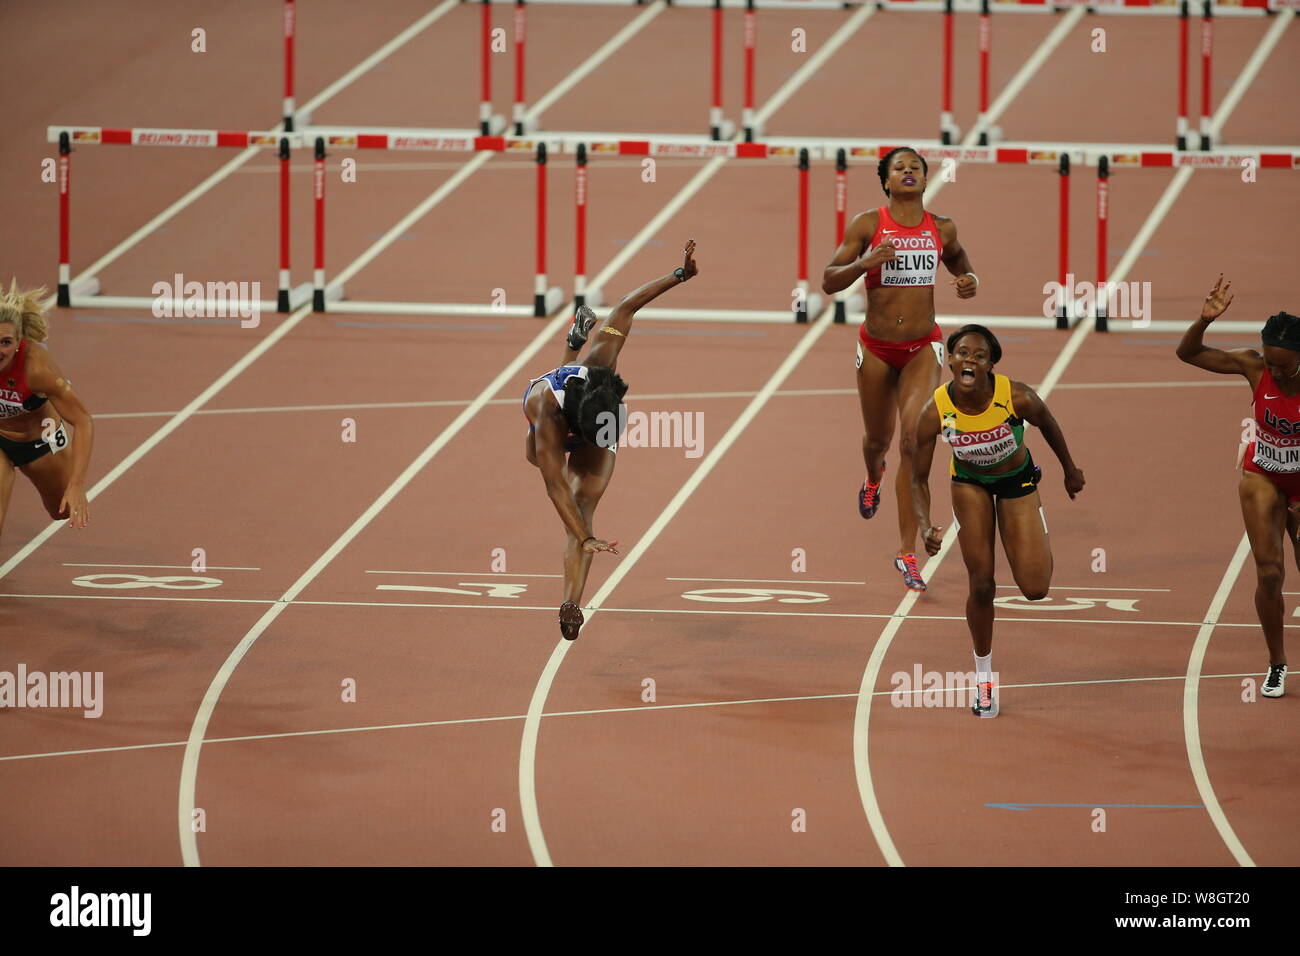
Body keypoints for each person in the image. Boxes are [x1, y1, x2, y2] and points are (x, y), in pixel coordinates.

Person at [822, 146, 979, 592]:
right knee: (878, 441)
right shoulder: (868, 225)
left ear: (926, 180)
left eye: (916, 168)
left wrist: (970, 281)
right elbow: (828, 280)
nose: (908, 172)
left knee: (914, 440)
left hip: (922, 348)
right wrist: (864, 264)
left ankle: (906, 552)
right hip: (875, 349)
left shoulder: (941, 227)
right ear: (886, 182)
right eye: (899, 168)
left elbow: (960, 261)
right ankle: (873, 476)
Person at [525, 241, 698, 640]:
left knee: (582, 507)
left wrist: (678, 275)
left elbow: (625, 306)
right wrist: (585, 538)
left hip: (594, 408)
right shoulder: (546, 414)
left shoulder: (604, 360)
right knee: (535, 460)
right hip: (551, 414)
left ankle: (571, 603)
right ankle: (572, 342)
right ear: (573, 425)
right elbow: (553, 487)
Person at [911, 324, 1085, 717]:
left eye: (979, 355)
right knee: (983, 583)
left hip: (1016, 479)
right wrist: (924, 524)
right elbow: (916, 477)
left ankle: (1030, 525)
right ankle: (984, 678)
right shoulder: (935, 410)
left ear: (991, 365)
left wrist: (1069, 470)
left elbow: (1049, 424)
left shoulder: (1016, 396)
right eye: (963, 353)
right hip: (969, 482)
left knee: (1036, 589)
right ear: (950, 360)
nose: (970, 360)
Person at [1176, 275, 1291, 697]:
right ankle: (1277, 662)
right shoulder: (1253, 365)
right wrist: (1203, 321)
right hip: (1263, 474)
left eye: (1284, 366)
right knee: (1270, 572)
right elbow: (1187, 353)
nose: (1275, 371)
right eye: (1271, 362)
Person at [0, 281, 93, 541]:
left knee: (60, 511)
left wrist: (76, 485)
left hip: (40, 442)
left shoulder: (37, 370)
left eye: (5, 342)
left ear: (19, 342)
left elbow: (83, 421)